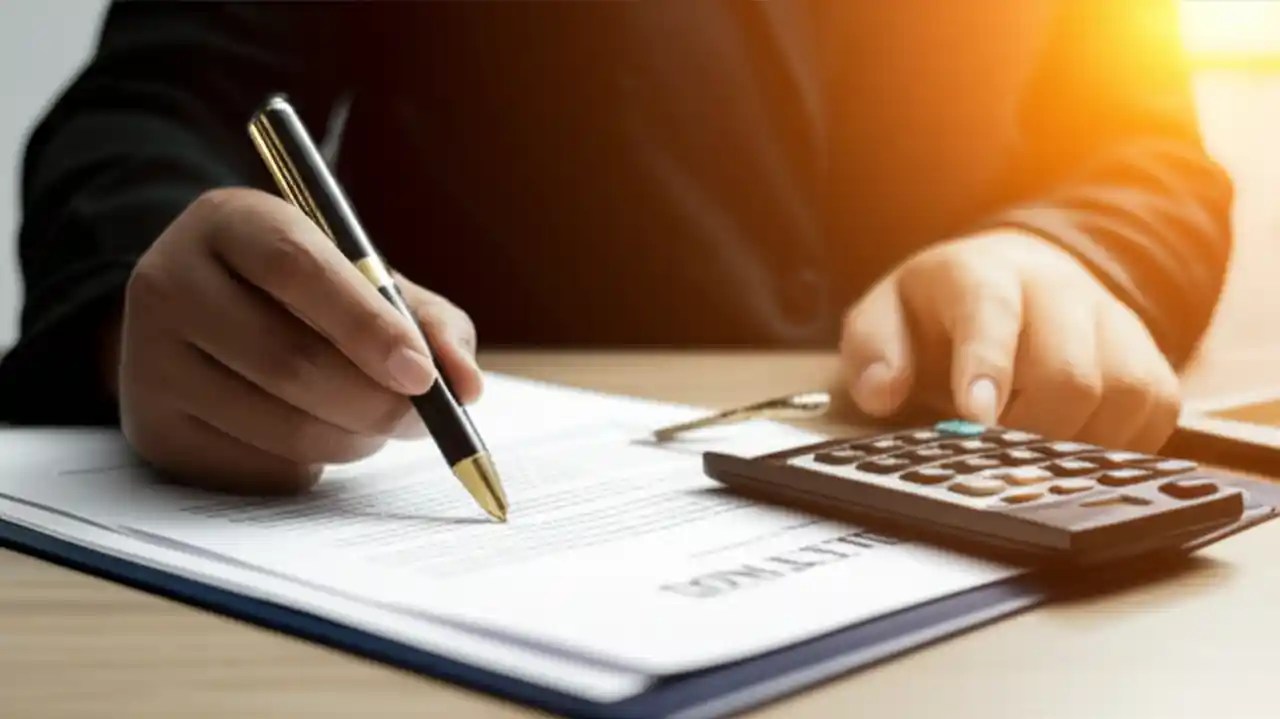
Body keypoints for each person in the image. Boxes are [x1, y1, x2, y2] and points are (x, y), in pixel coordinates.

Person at [0, 1, 1230, 491]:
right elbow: (150, 107)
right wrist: (131, 305)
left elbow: (1145, 155)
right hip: (457, 468)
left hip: (977, 513)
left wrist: (1066, 252)